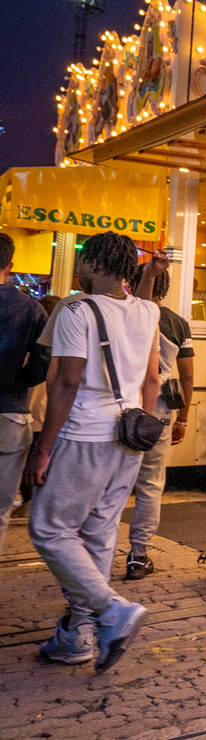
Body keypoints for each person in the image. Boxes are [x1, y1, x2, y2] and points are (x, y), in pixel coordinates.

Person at [23, 232, 161, 671]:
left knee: (49, 528)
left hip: (86, 436)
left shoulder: (76, 310)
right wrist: (150, 278)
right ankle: (79, 634)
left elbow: (66, 382)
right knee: (100, 532)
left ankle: (111, 609)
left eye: (83, 258)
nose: (78, 266)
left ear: (98, 265)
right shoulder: (147, 309)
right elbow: (132, 307)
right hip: (129, 439)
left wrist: (42, 448)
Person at [124, 265, 194, 579]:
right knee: (151, 485)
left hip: (122, 408)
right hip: (159, 414)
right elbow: (188, 375)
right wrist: (184, 418)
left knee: (115, 482)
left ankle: (93, 552)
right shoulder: (178, 324)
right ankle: (139, 554)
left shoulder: (124, 314)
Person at [0, 233, 50, 554]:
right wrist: (21, 380)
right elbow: (44, 360)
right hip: (10, 414)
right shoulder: (30, 309)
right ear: (10, 265)